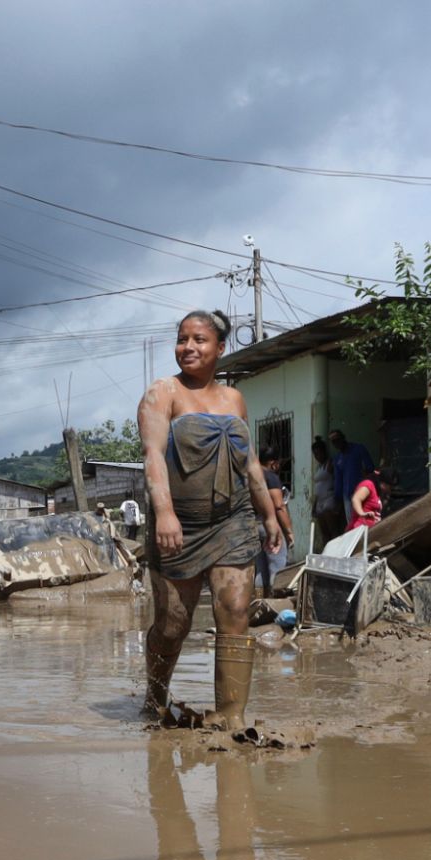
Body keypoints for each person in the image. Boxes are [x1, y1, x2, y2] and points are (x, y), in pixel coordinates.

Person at [139, 309, 284, 731]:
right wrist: (164, 512)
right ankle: (155, 695)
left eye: (199, 340)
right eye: (182, 339)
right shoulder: (162, 393)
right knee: (173, 624)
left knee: (236, 610)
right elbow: (152, 456)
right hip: (179, 524)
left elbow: (251, 464)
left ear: (220, 348)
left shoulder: (234, 399)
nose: (188, 347)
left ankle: (231, 717)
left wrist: (269, 515)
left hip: (232, 520)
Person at [255, 444, 295, 596]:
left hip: (253, 526)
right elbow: (279, 507)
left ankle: (258, 605)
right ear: (273, 463)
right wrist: (289, 532)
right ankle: (275, 605)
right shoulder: (270, 477)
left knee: (260, 570)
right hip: (269, 527)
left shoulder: (251, 477)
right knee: (277, 567)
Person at [327, 429, 375, 525]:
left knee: (364, 522)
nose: (336, 443)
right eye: (333, 442)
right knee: (352, 524)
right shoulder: (338, 459)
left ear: (343, 438)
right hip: (347, 497)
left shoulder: (358, 449)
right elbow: (338, 481)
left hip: (362, 493)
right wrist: (337, 499)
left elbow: (370, 468)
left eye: (337, 439)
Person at [308, 437, 337, 553]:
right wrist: (314, 505)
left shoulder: (330, 463)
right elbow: (317, 489)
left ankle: (336, 553)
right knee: (324, 532)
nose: (317, 456)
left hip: (329, 500)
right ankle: (327, 553)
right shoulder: (319, 467)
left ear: (324, 452)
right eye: (315, 454)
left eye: (318, 453)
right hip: (320, 502)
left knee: (333, 530)